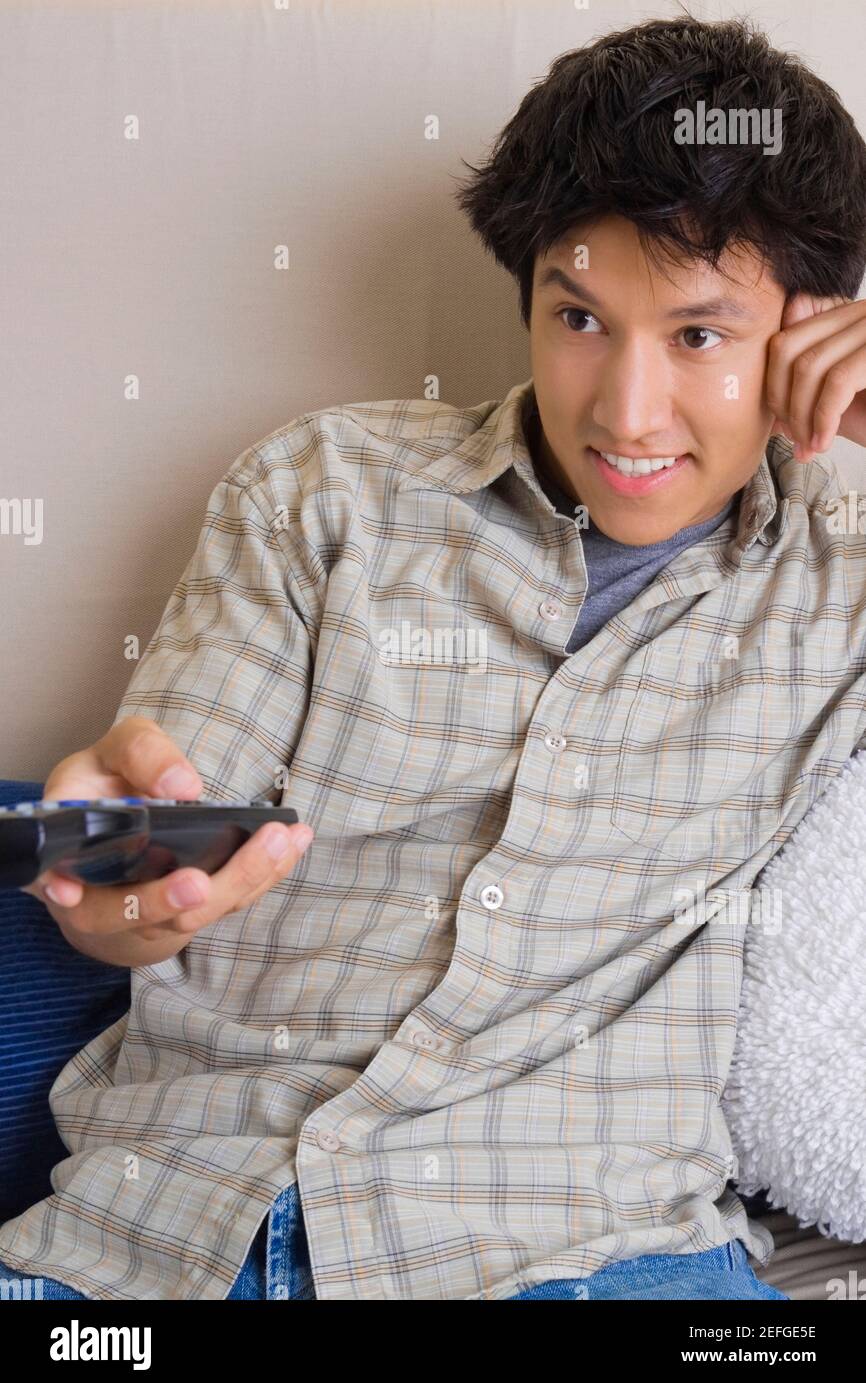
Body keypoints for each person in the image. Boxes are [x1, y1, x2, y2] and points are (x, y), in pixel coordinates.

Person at [2, 12, 866, 1301]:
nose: (625, 414)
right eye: (579, 318)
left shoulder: (841, 570)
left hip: (591, 1260)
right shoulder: (327, 487)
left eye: (698, 337)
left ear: (810, 332)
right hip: (159, 1250)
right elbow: (162, 813)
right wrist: (123, 889)